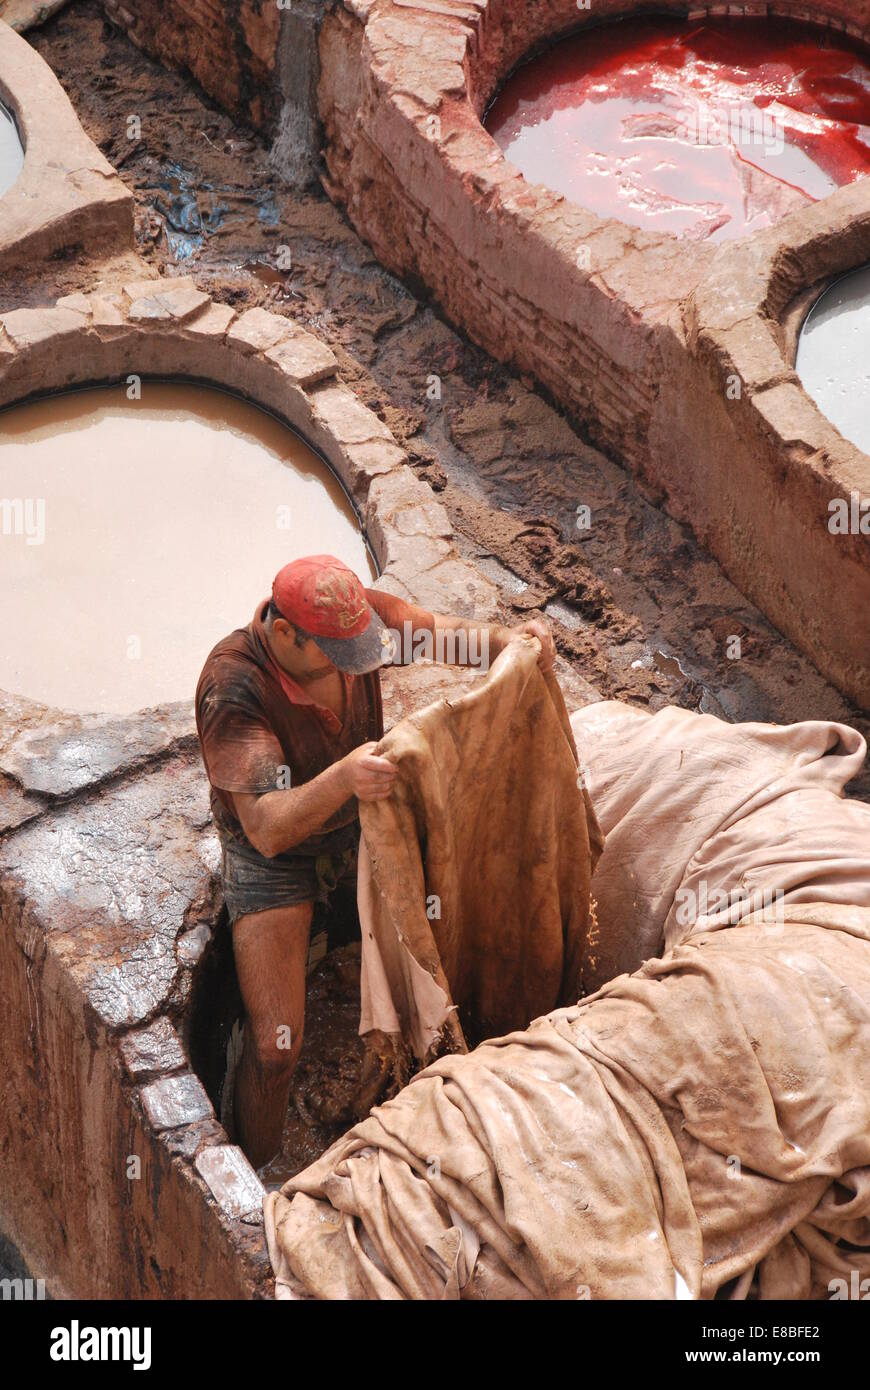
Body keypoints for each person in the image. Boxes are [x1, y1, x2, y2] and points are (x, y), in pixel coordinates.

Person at [195, 553, 556, 1167]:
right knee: (278, 1045)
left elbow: (436, 633)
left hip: (363, 813)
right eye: (339, 656)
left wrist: (510, 643)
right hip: (277, 852)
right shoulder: (234, 686)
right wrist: (344, 777)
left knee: (451, 926)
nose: (355, 663)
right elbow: (268, 828)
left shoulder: (351, 617)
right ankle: (260, 1166)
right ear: (284, 633)